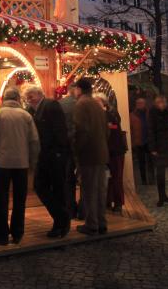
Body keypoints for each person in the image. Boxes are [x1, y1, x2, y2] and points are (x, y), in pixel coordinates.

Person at [0, 87, 39, 244]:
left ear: (4, 99)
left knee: (2, 199)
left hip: (3, 162)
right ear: (17, 99)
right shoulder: (26, 116)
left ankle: (2, 234)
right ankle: (17, 233)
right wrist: (32, 162)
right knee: (20, 199)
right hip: (22, 163)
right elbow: (34, 141)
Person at [22, 83, 70, 238]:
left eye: (31, 95)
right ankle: (61, 218)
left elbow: (60, 130)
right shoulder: (32, 110)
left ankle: (61, 224)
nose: (29, 98)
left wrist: (59, 152)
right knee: (40, 186)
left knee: (56, 189)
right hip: (43, 156)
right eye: (27, 96)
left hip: (55, 155)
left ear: (39, 94)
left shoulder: (51, 105)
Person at [72, 78, 109, 235]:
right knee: (100, 190)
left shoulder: (81, 104)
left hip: (89, 153)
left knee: (88, 190)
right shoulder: (96, 104)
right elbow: (106, 130)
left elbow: (81, 130)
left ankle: (91, 223)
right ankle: (101, 222)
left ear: (79, 89)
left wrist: (77, 151)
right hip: (101, 152)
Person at [99, 94, 127, 213]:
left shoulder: (111, 113)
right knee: (107, 178)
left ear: (103, 103)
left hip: (115, 151)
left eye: (97, 102)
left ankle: (118, 203)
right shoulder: (99, 115)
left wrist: (108, 125)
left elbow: (115, 127)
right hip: (105, 151)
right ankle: (108, 201)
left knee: (116, 177)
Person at [148, 95, 168, 207]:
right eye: (160, 102)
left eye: (164, 102)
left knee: (164, 170)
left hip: (166, 145)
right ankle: (161, 197)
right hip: (158, 146)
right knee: (160, 172)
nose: (162, 104)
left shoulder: (167, 113)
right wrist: (153, 148)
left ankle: (164, 195)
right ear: (156, 103)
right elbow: (151, 131)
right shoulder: (153, 114)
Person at [58, 82, 82, 218]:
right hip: (80, 144)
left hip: (65, 145)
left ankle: (70, 208)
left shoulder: (60, 104)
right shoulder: (81, 104)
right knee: (83, 178)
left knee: (68, 179)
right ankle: (83, 209)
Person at [129, 96, 150, 186]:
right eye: (138, 103)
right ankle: (144, 180)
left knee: (150, 161)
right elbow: (131, 129)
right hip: (138, 141)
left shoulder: (148, 113)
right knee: (141, 162)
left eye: (142, 103)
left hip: (149, 140)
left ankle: (151, 179)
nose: (140, 105)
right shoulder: (132, 115)